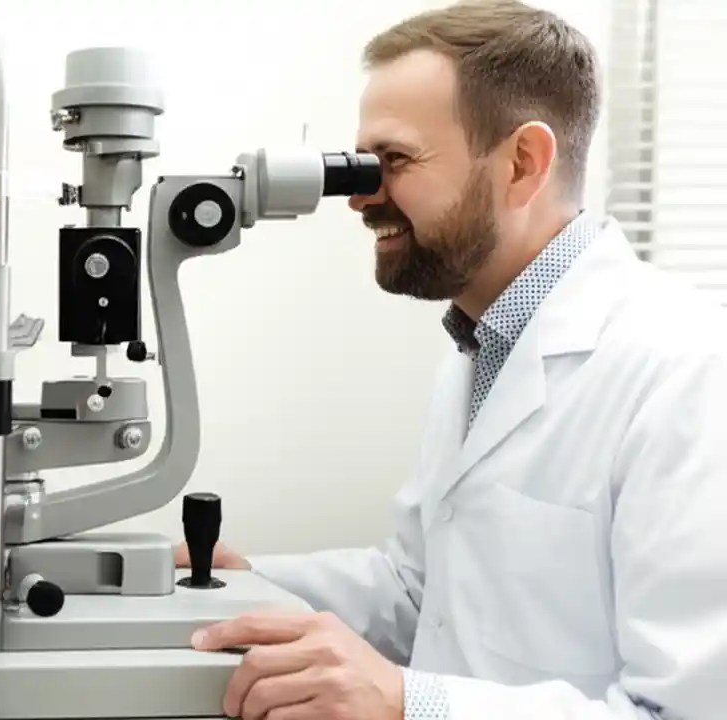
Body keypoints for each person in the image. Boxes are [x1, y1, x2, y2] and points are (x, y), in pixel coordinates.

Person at [178, 1, 727, 719]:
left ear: (522, 164)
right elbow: (425, 594)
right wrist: (248, 581)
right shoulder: (481, 348)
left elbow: (685, 710)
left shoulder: (687, 372)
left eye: (392, 161)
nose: (360, 197)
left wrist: (411, 703)